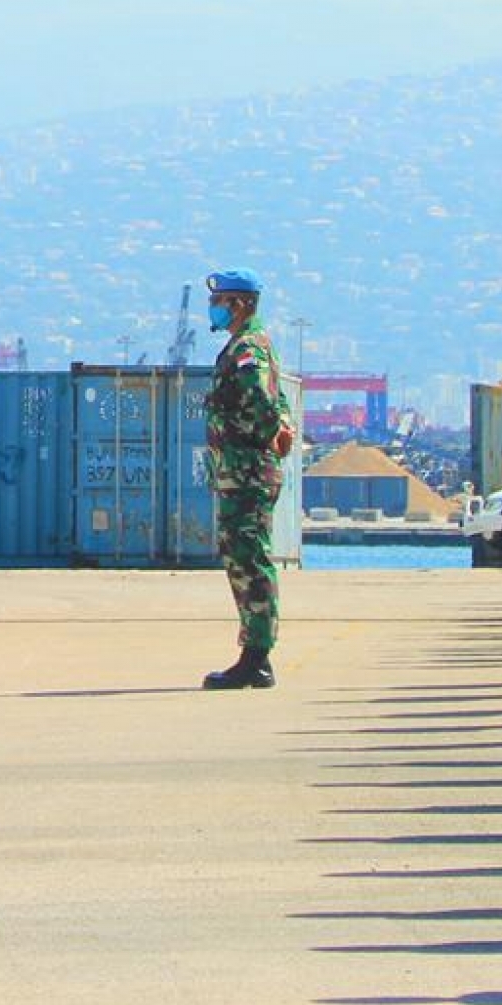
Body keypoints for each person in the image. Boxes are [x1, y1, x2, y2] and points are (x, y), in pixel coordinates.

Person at [199, 268, 294, 691]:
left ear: (240, 304)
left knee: (249, 558)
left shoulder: (248, 349)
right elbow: (281, 402)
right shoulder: (248, 346)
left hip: (247, 470)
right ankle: (253, 653)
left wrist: (270, 431)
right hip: (240, 470)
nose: (214, 308)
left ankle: (257, 657)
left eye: (220, 301)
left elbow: (261, 398)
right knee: (241, 554)